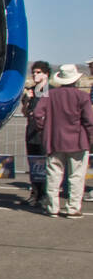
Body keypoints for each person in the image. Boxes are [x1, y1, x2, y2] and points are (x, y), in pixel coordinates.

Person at [32, 63, 93, 218]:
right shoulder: (82, 96)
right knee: (76, 177)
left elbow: (38, 113)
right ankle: (73, 208)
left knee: (54, 175)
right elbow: (89, 121)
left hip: (54, 140)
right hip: (78, 141)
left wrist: (43, 128)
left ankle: (53, 207)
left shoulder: (50, 95)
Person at [21, 61, 51, 206]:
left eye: (39, 72)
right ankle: (35, 193)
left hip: (45, 132)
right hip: (31, 131)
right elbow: (25, 113)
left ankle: (45, 194)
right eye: (34, 72)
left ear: (46, 74)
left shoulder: (50, 91)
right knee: (33, 163)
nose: (35, 74)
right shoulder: (31, 91)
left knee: (45, 164)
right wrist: (27, 101)